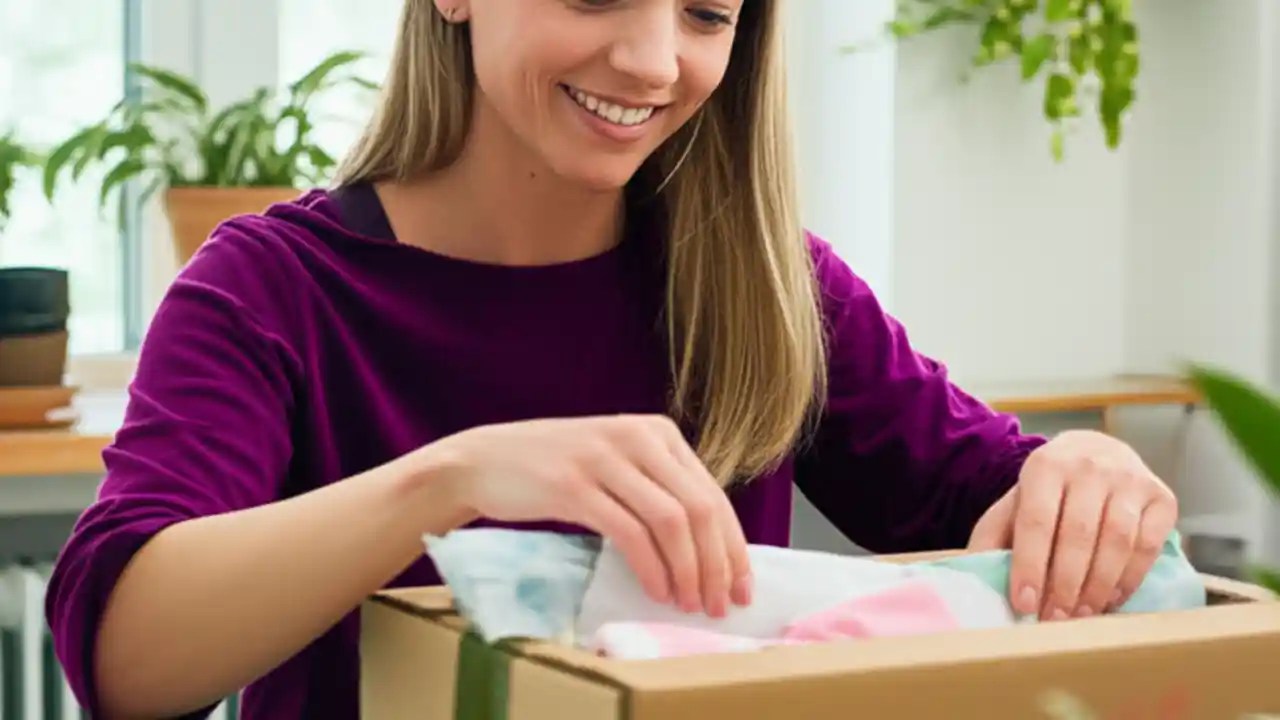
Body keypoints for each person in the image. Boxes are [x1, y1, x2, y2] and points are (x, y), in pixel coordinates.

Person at [45, 0, 1179, 718]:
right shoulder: (268, 289)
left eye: (703, 12)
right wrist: (450, 481)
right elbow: (126, 662)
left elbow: (989, 489)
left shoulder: (769, 284)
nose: (650, 60)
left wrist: (1077, 477)